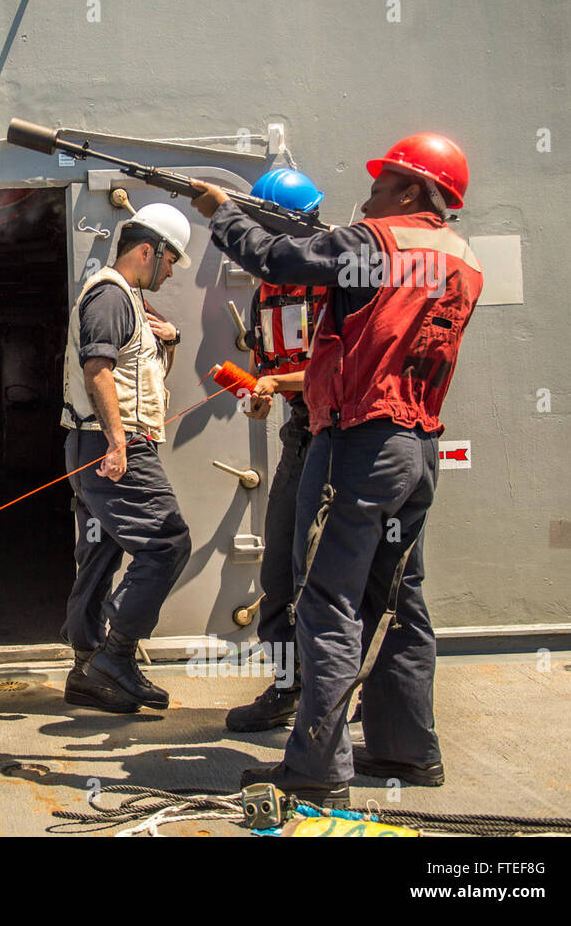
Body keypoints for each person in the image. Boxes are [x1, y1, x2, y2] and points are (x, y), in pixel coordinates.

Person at [191, 133, 483, 807]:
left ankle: (317, 769)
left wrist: (219, 212)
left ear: (412, 191)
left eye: (381, 185)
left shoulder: (375, 242)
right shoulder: (461, 258)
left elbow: (275, 254)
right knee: (399, 603)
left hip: (356, 443)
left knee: (327, 604)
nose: (368, 194)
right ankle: (406, 750)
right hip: (418, 448)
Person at [61, 203, 193, 713]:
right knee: (167, 545)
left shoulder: (128, 300)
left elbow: (144, 371)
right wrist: (118, 443)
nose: (171, 270)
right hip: (113, 446)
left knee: (99, 553)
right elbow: (98, 369)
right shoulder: (112, 296)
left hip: (94, 445)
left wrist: (172, 338)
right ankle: (115, 657)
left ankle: (86, 668)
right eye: (170, 260)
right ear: (147, 250)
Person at [223, 168, 328, 733]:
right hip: (299, 433)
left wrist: (279, 384)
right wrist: (262, 392)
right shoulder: (268, 288)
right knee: (280, 570)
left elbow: (339, 370)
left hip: (340, 438)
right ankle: (287, 685)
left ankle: (339, 693)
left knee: (328, 572)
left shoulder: (337, 279)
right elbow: (275, 363)